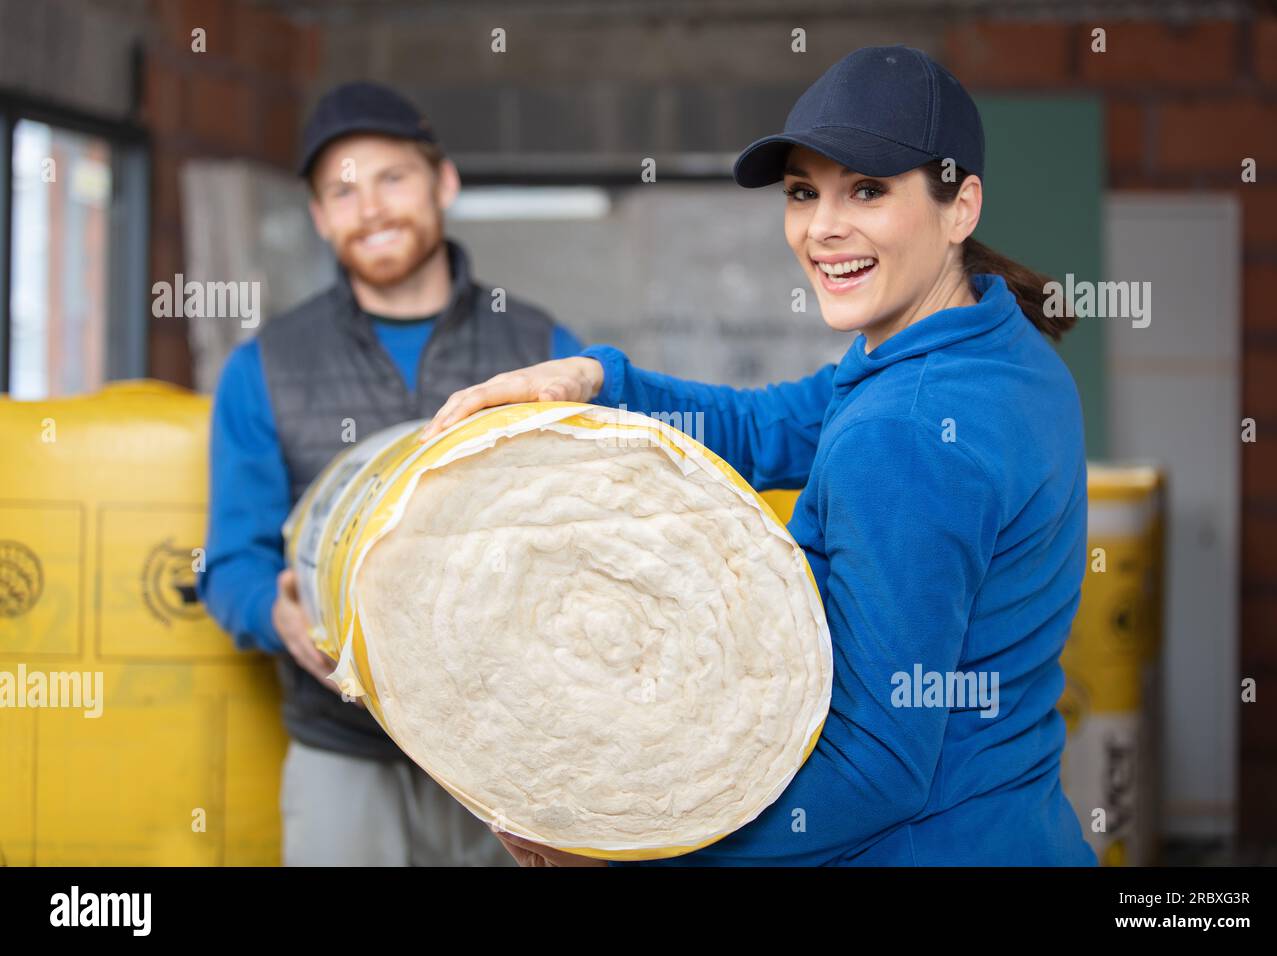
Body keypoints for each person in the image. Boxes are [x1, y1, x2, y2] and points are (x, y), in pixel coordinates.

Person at [421, 46, 1098, 866]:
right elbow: (767, 427)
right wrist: (598, 379)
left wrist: (628, 851)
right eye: (805, 193)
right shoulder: (991, 348)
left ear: (960, 208)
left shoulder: (909, 429)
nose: (823, 228)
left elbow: (874, 768)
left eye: (870, 191)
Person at [197, 81, 585, 866]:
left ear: (443, 183)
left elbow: (589, 526)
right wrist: (275, 616)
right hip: (344, 746)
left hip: (509, 744)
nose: (368, 207)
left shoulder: (544, 346)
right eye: (340, 190)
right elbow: (229, 561)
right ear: (317, 216)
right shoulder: (265, 367)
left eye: (391, 178)